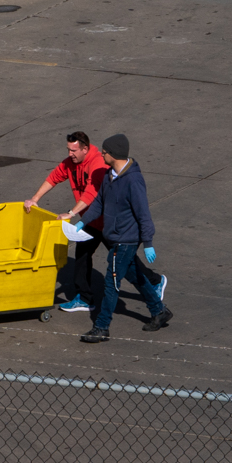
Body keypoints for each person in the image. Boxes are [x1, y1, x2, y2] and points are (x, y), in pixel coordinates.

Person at [65, 134, 170, 342]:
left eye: (104, 151)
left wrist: (147, 242)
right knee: (135, 276)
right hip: (115, 237)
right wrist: (82, 222)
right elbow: (99, 204)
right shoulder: (109, 175)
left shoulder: (133, 180)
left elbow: (143, 214)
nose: (101, 153)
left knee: (110, 283)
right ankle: (159, 311)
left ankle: (102, 326)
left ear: (113, 154)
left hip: (126, 240)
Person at [24, 131, 111, 313]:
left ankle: (154, 282)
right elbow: (54, 177)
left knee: (128, 264)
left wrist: (70, 213)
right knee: (82, 255)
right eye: (68, 150)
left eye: (74, 150)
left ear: (85, 149)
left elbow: (90, 194)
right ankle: (85, 298)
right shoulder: (71, 163)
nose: (70, 154)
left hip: (109, 222)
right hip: (91, 221)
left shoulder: (97, 163)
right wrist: (35, 198)